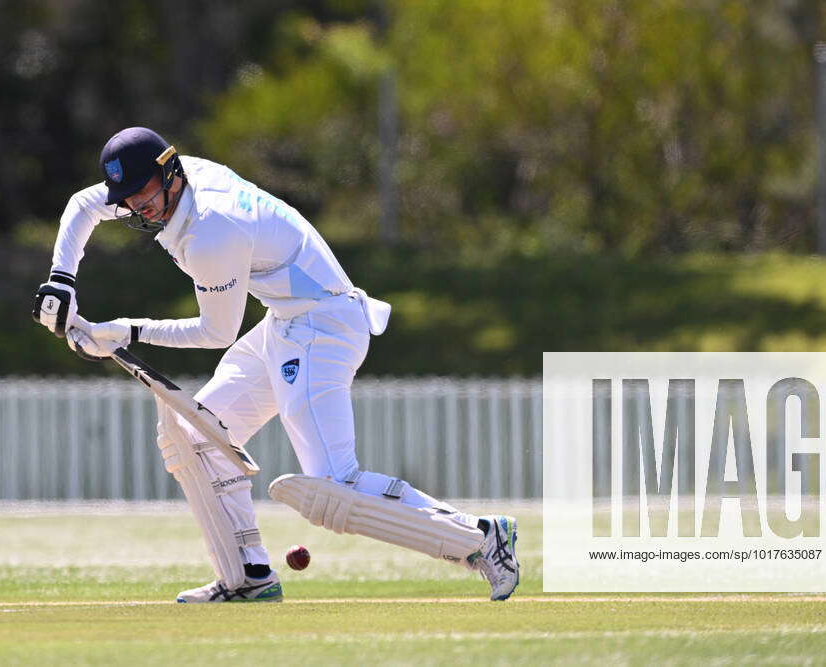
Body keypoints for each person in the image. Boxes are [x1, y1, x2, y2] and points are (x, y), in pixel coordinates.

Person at [32, 127, 519, 603]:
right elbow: (83, 204)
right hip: (286, 322)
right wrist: (61, 281)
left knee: (334, 488)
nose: (139, 208)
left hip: (322, 328)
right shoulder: (185, 177)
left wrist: (125, 332)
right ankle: (248, 575)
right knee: (195, 437)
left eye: (144, 193)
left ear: (170, 172)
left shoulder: (211, 230)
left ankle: (480, 537)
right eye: (128, 199)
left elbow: (216, 333)